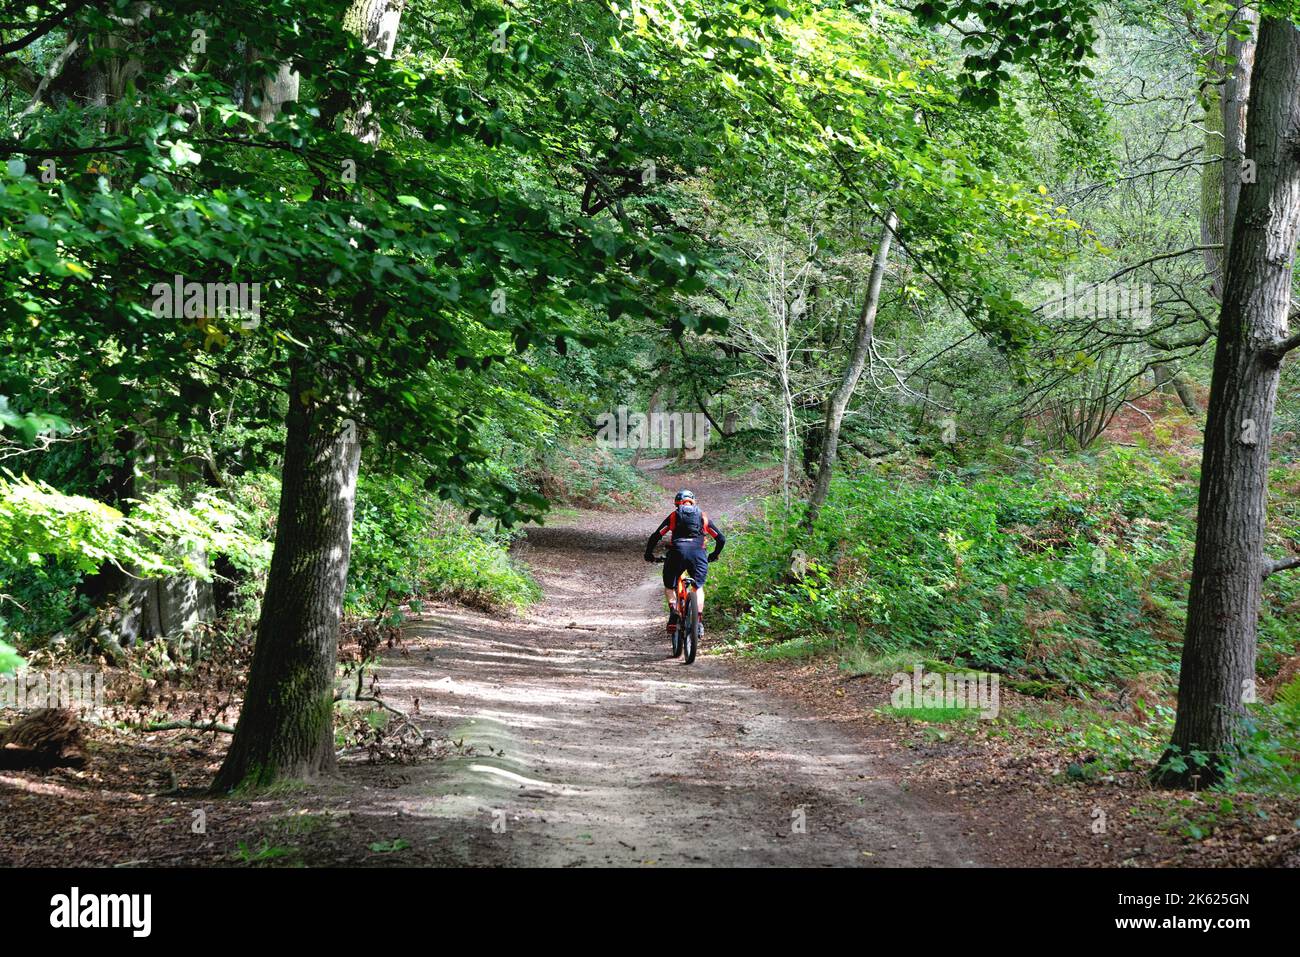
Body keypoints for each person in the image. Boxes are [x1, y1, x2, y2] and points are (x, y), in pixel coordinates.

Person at [644, 489, 725, 636]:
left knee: (669, 586)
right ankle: (698, 622)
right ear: (693, 501)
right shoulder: (703, 516)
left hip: (677, 553)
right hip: (698, 554)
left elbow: (657, 535)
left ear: (677, 503)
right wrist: (714, 554)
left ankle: (674, 610)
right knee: (698, 587)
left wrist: (648, 553)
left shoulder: (674, 516)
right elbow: (721, 539)